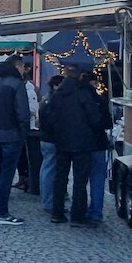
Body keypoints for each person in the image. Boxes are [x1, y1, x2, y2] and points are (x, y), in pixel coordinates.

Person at [39, 65, 103, 227]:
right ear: (79, 77)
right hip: (83, 142)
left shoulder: (58, 94)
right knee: (80, 180)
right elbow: (95, 119)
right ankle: (77, 216)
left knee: (60, 177)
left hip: (61, 140)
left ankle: (57, 213)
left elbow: (49, 116)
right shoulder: (84, 93)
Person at [0, 55, 30, 226]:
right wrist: (23, 133)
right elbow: (22, 112)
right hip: (10, 135)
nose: (24, 70)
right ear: (17, 67)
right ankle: (1, 211)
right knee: (6, 174)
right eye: (22, 67)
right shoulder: (17, 84)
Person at [80, 71, 114, 223]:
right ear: (94, 83)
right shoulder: (100, 100)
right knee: (98, 179)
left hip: (81, 144)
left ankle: (80, 210)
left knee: (80, 179)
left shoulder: (77, 100)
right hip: (98, 143)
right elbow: (107, 123)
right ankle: (96, 212)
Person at [38, 75, 65, 213]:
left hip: (45, 137)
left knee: (46, 168)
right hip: (52, 139)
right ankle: (49, 201)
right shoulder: (55, 100)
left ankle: (47, 199)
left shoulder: (46, 99)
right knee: (50, 170)